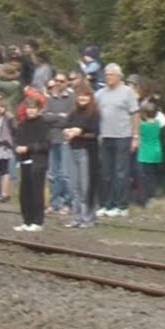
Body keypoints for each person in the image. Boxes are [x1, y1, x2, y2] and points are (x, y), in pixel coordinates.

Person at [95, 63, 139, 218]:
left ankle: (121, 205)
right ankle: (106, 204)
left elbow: (135, 114)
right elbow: (94, 112)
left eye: (111, 75)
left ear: (118, 76)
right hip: (106, 136)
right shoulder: (100, 93)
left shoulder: (128, 92)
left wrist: (135, 136)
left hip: (123, 136)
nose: (108, 77)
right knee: (106, 172)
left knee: (121, 173)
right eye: (106, 75)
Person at [63, 82, 99, 229]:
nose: (82, 98)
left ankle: (88, 218)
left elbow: (95, 133)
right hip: (73, 150)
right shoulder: (73, 112)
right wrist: (67, 132)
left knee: (86, 186)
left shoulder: (94, 113)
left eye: (85, 96)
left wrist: (80, 132)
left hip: (87, 151)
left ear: (90, 97)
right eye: (80, 96)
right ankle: (76, 217)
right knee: (75, 186)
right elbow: (65, 125)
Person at [14, 94, 51, 231]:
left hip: (38, 162)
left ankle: (37, 221)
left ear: (38, 109)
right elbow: (17, 139)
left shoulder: (43, 124)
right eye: (28, 108)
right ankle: (26, 220)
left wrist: (28, 148)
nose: (30, 111)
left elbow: (46, 144)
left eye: (33, 108)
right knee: (25, 192)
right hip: (24, 162)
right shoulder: (22, 124)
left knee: (37, 191)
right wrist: (17, 147)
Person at [44, 73, 74, 214]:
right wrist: (59, 117)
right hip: (52, 139)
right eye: (56, 80)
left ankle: (68, 203)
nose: (58, 83)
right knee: (52, 173)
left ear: (67, 83)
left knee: (65, 174)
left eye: (61, 81)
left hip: (65, 140)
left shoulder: (71, 98)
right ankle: (54, 202)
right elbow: (45, 117)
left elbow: (70, 119)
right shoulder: (50, 99)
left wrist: (55, 119)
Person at [136, 102, 163, 207]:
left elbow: (137, 134)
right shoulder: (157, 124)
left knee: (144, 177)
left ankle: (145, 198)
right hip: (156, 153)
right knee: (152, 176)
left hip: (144, 154)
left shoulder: (142, 125)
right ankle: (152, 196)